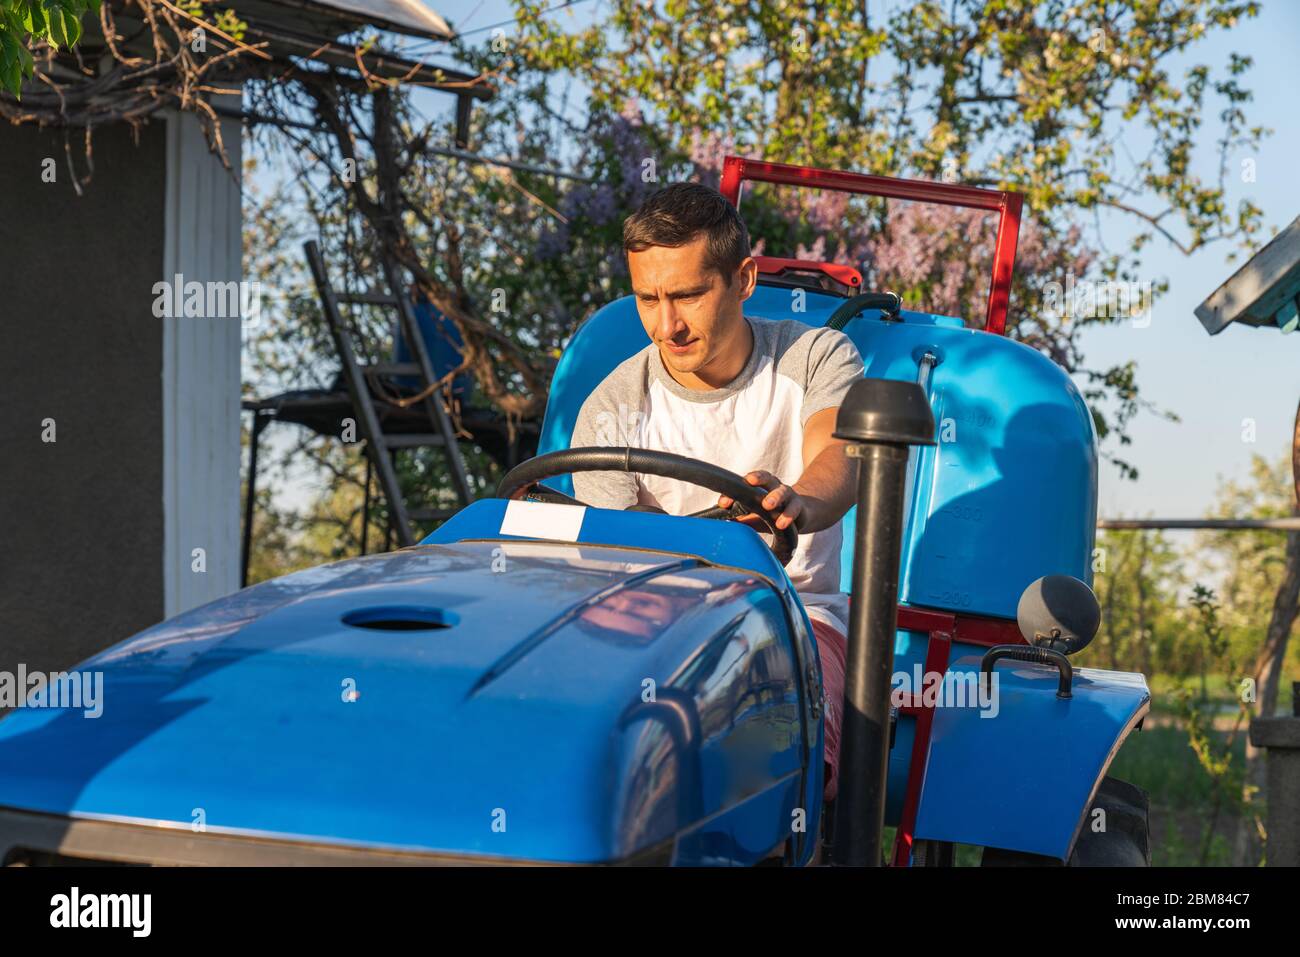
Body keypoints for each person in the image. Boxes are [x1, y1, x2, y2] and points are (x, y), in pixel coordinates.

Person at [570, 182, 863, 799]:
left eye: (687, 295)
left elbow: (837, 456)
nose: (666, 325)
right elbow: (612, 570)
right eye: (647, 299)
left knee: (786, 768)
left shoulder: (814, 357)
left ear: (744, 279)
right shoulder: (612, 407)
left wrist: (801, 500)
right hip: (655, 624)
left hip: (795, 615)